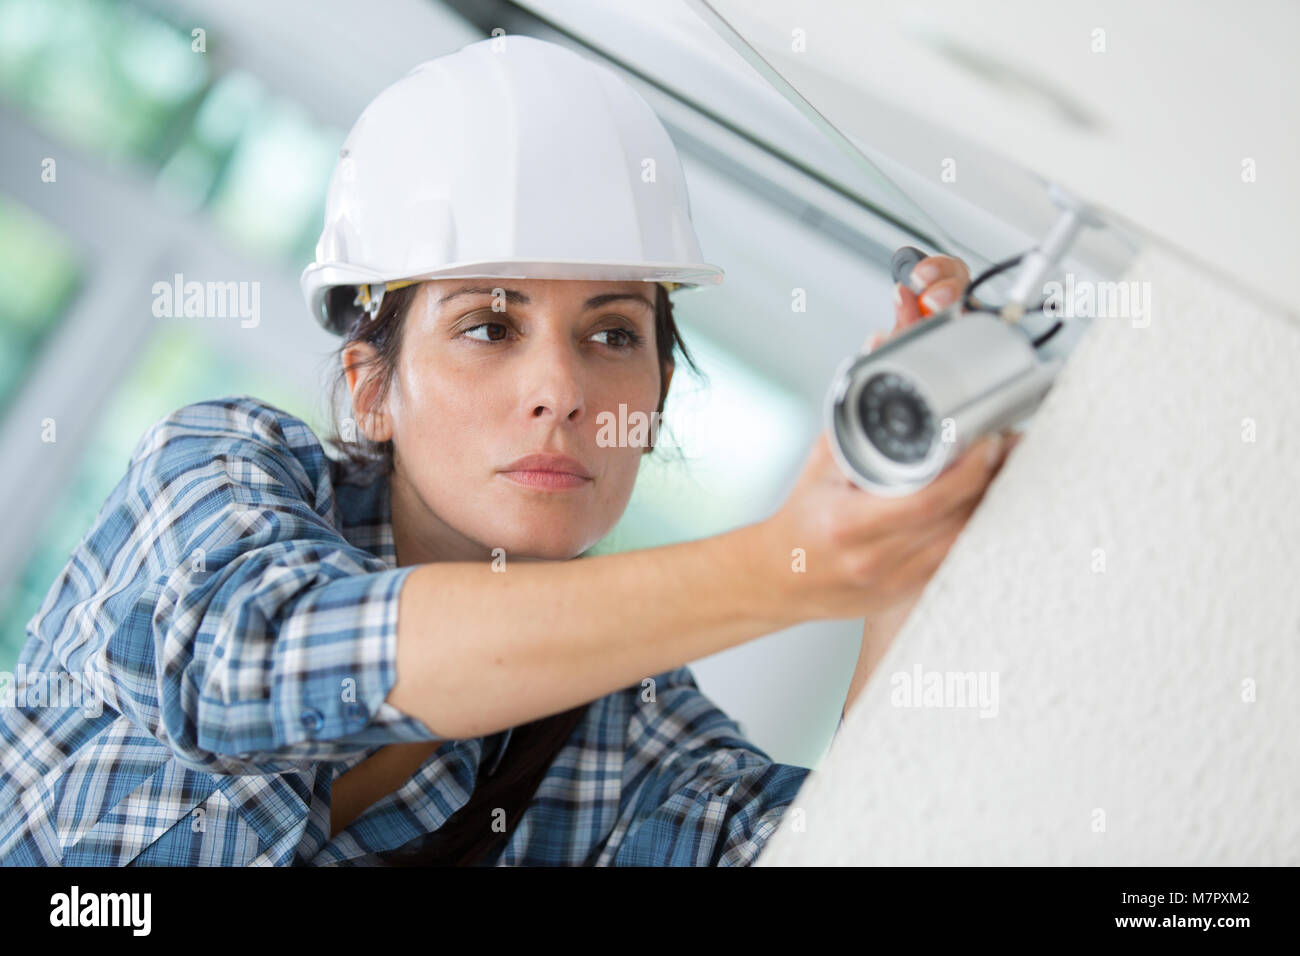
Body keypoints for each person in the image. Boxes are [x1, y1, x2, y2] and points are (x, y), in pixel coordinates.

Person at [0, 36, 1017, 866]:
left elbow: (866, 850)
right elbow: (250, 658)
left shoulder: (639, 749)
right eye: (489, 325)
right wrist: (791, 565)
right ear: (371, 389)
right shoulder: (215, 475)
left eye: (614, 334)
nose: (563, 389)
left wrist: (909, 515)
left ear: (654, 401)